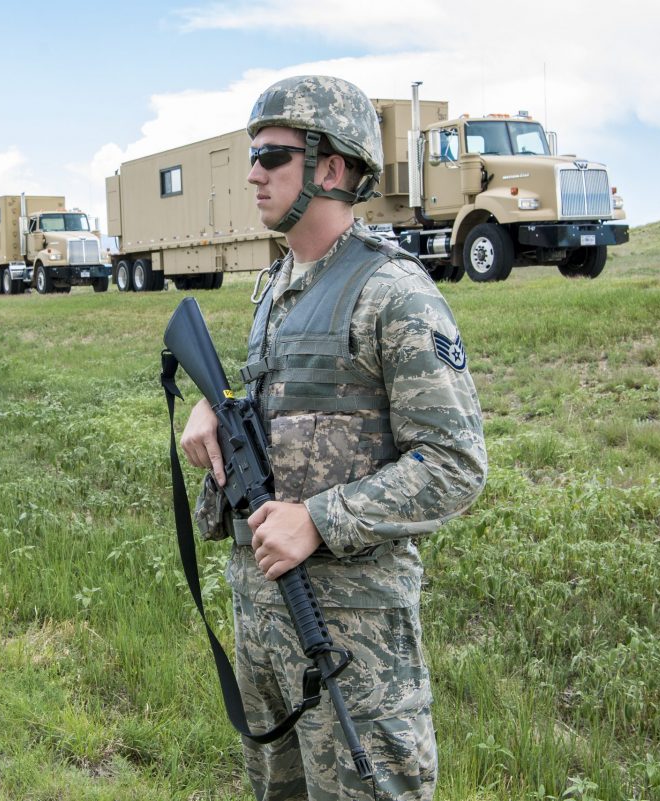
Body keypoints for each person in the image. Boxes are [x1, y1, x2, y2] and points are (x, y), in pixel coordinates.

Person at [180, 75, 487, 801]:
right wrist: (213, 407)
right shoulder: (278, 284)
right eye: (251, 154)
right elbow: (279, 410)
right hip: (264, 622)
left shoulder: (394, 294)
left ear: (331, 168)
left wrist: (319, 520)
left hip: (352, 642)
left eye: (273, 156)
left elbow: (454, 463)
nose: (253, 172)